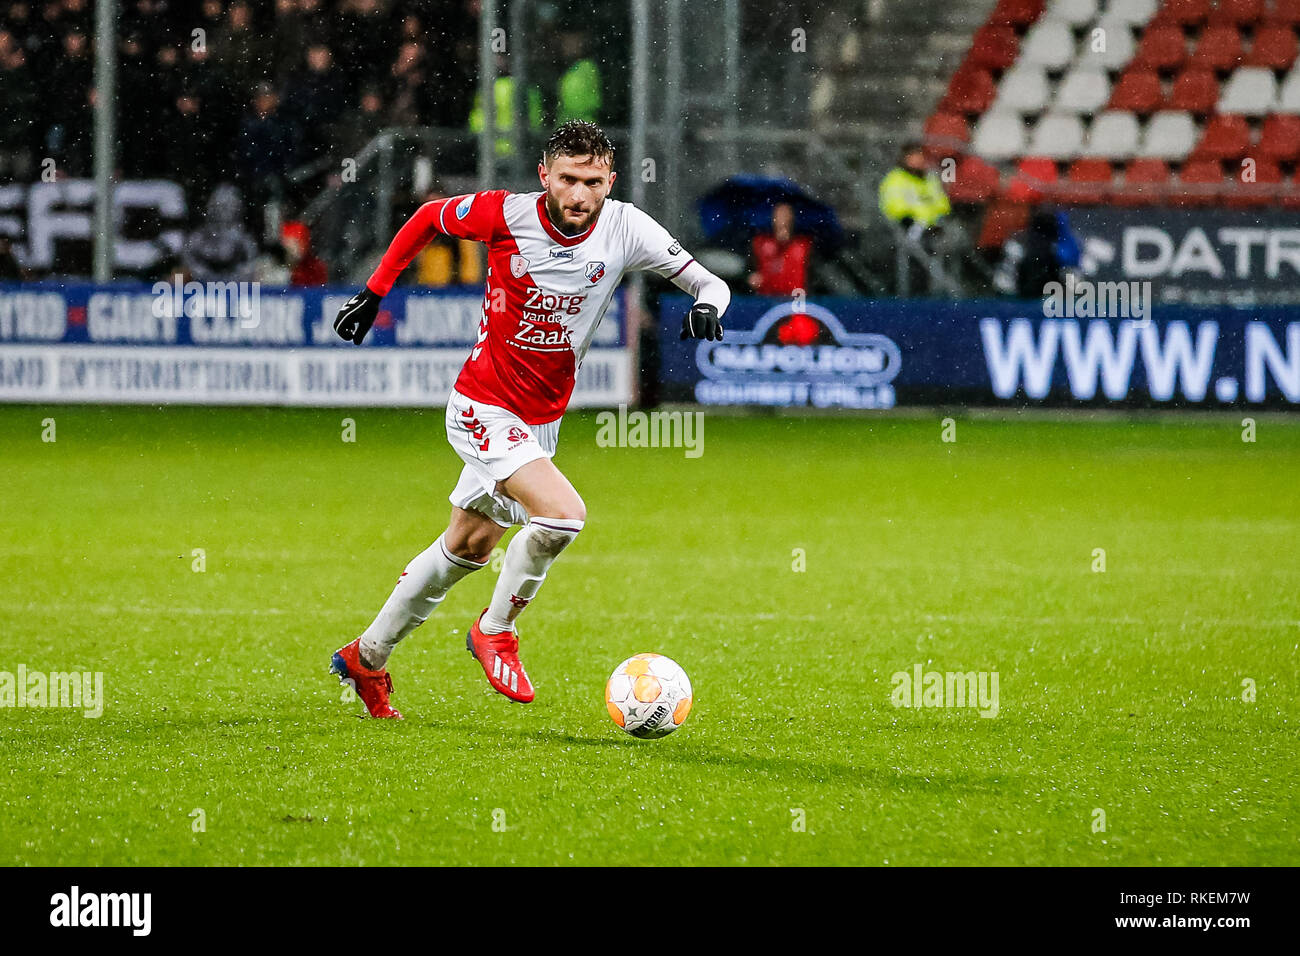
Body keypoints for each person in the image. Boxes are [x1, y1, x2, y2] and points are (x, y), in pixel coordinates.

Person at [328, 121, 730, 718]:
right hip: (481, 405)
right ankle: (495, 631)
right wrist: (376, 290)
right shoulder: (504, 215)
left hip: (540, 423)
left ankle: (367, 656)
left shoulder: (626, 227)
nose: (578, 194)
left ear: (609, 181)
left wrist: (706, 304)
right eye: (567, 179)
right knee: (564, 516)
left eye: (592, 181)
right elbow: (427, 218)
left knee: (464, 547)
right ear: (544, 175)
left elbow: (710, 281)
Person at [878, 142, 951, 242]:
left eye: (920, 156)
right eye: (913, 156)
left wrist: (939, 220)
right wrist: (910, 221)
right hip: (907, 229)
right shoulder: (896, 179)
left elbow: (942, 203)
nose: (918, 160)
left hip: (933, 230)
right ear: (904, 158)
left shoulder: (930, 179)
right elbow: (893, 205)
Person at [748, 201, 812, 295]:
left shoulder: (804, 245)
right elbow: (749, 268)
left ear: (792, 218)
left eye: (786, 215)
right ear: (773, 218)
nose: (782, 220)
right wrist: (752, 277)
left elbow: (813, 273)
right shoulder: (760, 243)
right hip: (766, 298)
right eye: (779, 215)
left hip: (796, 299)